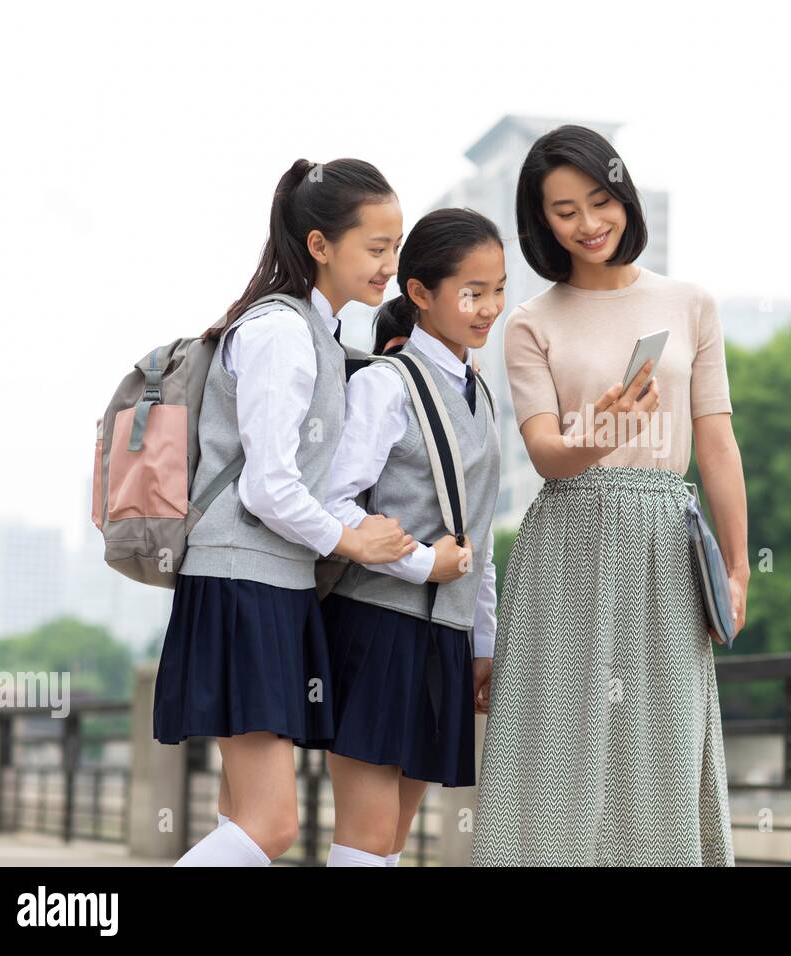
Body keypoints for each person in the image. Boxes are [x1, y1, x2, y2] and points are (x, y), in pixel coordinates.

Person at [471, 126, 749, 866]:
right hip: (568, 539)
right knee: (554, 740)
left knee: (661, 737)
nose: (589, 224)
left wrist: (738, 567)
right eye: (565, 211)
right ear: (542, 221)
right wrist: (607, 426)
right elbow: (546, 454)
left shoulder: (690, 303)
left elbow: (717, 445)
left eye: (600, 200)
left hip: (667, 540)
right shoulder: (530, 321)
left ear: (624, 195)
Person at [153, 158, 415, 866]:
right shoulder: (281, 332)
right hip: (243, 584)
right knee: (270, 827)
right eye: (376, 247)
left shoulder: (319, 335)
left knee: (241, 818)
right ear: (320, 245)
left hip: (268, 586)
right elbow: (266, 487)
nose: (389, 264)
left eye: (395, 247)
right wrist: (354, 542)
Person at [319, 209, 505, 866]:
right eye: (471, 292)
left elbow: (475, 538)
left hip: (445, 640)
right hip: (377, 626)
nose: (488, 308)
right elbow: (333, 506)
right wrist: (425, 563)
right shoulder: (384, 384)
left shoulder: (481, 393)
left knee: (392, 842)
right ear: (421, 294)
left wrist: (484, 644)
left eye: (498, 289)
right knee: (366, 841)